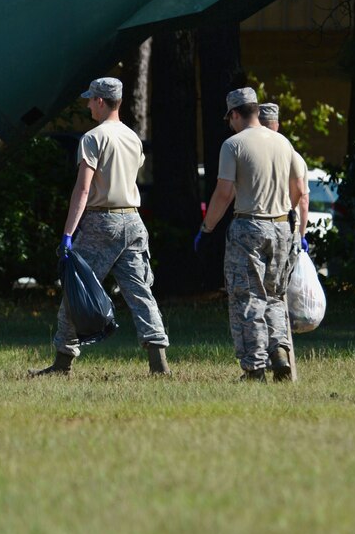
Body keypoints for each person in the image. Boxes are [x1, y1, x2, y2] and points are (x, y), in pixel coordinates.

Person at [30, 77, 171, 377]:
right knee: (140, 293)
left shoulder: (93, 138)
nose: (87, 104)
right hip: (133, 221)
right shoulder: (133, 138)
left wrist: (68, 234)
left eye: (90, 99)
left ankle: (62, 362)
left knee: (75, 289)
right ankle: (159, 364)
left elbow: (83, 190)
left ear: (101, 101)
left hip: (100, 222)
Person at [195, 88, 307, 382]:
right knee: (273, 295)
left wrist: (207, 228)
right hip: (283, 227)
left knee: (246, 298)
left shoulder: (233, 144)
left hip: (249, 227)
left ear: (234, 114)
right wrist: (286, 213)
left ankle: (255, 367)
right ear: (256, 110)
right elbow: (298, 187)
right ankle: (280, 352)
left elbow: (224, 192)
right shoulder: (283, 143)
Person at [259, 102, 311, 254]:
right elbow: (303, 199)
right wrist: (301, 235)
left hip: (258, 226)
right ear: (277, 125)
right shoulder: (294, 156)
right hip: (287, 228)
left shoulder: (252, 156)